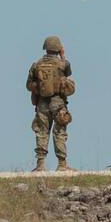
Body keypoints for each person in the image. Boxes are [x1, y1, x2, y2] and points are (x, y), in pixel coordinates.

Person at [27, 35, 75, 171]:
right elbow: (68, 73)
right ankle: (62, 165)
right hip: (58, 103)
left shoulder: (36, 65)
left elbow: (29, 85)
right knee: (60, 132)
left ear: (45, 48)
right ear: (58, 48)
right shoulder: (63, 64)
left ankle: (40, 165)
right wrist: (63, 55)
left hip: (42, 104)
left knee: (41, 132)